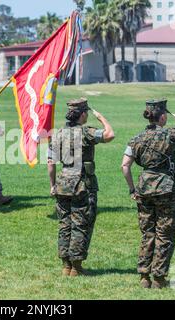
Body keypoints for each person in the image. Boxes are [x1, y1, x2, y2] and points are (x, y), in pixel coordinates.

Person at [121, 99, 175, 289]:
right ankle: (159, 278)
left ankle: (144, 276)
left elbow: (125, 166)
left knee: (147, 232)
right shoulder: (171, 133)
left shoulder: (136, 138)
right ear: (163, 117)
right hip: (166, 189)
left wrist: (132, 189)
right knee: (165, 233)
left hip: (143, 190)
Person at [48, 98, 115, 276]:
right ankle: (76, 267)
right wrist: (102, 118)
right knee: (81, 224)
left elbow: (50, 162)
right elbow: (109, 135)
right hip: (82, 184)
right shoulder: (86, 133)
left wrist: (52, 184)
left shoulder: (57, 134)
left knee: (64, 224)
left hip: (62, 183)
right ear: (83, 114)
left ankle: (65, 266)